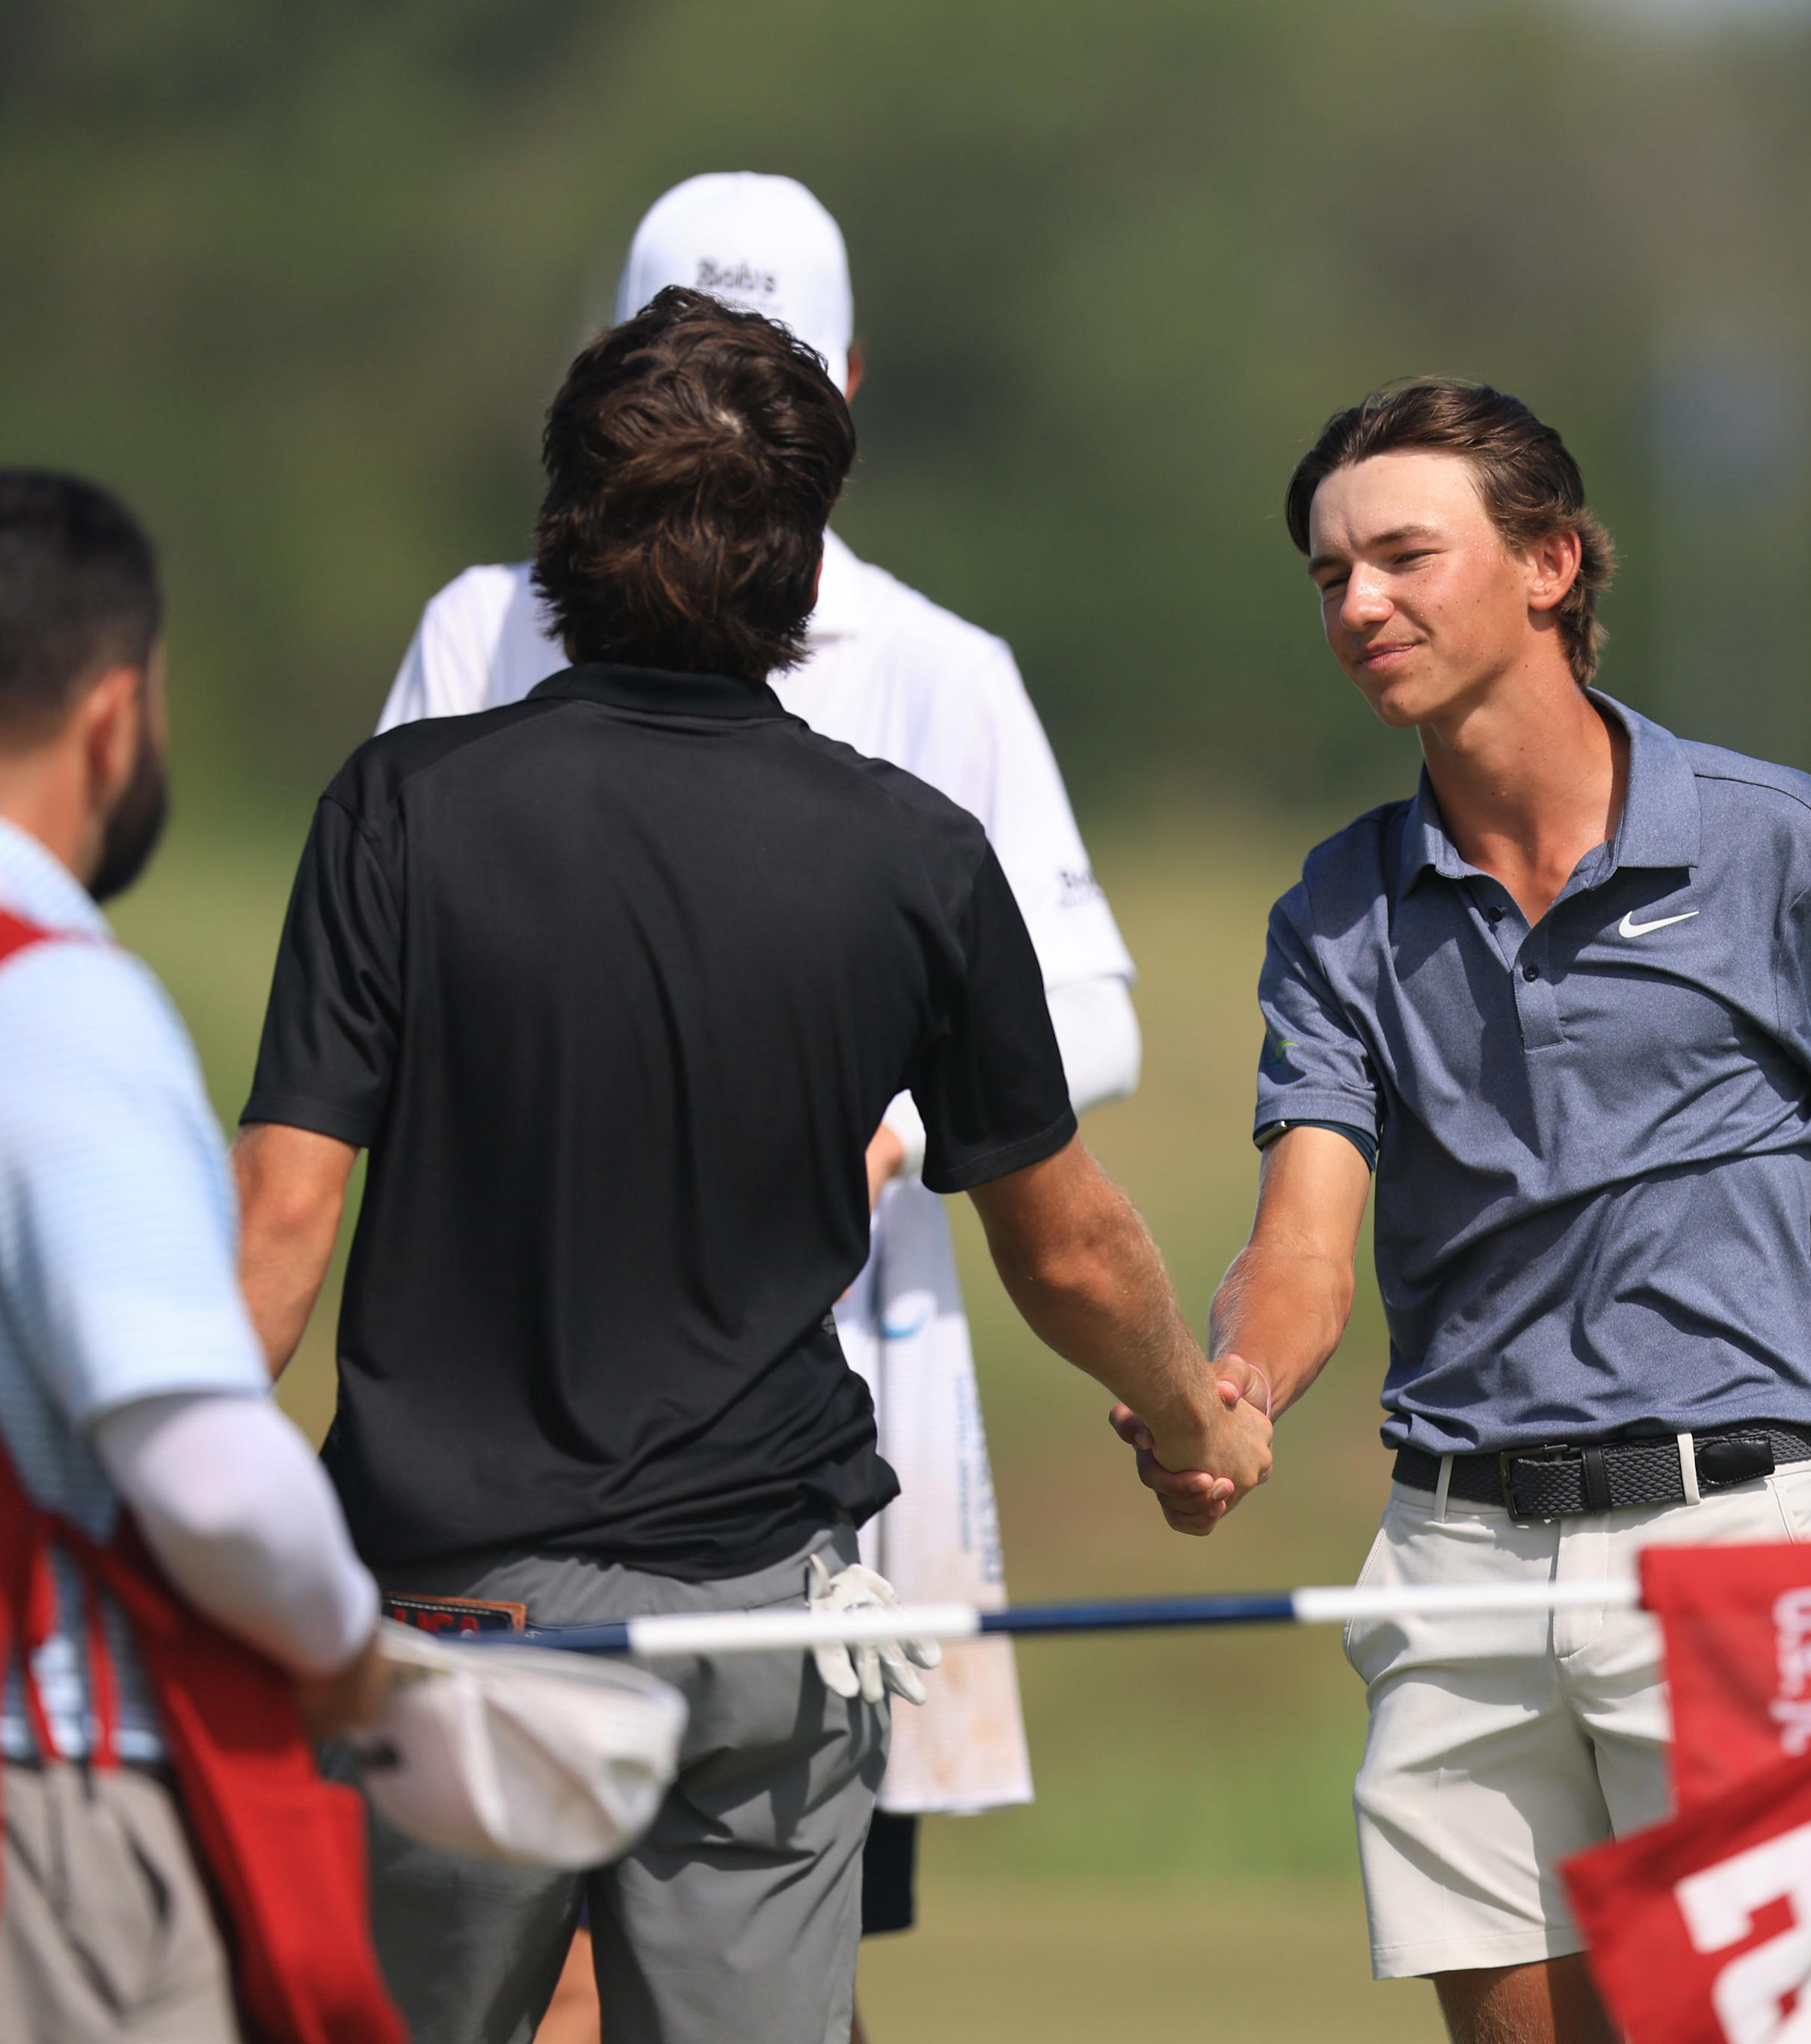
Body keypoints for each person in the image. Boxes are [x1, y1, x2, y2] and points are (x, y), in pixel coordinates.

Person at [233, 292, 1267, 2044]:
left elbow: (282, 1224)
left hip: (457, 1617)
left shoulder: (397, 810)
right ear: (806, 560)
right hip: (764, 1625)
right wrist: (1198, 1424)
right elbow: (1072, 1249)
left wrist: (111, 1502)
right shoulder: (912, 854)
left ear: (559, 531)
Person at [1116, 379, 1811, 2044]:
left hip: (1725, 1554)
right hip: (1456, 1560)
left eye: (1404, 556)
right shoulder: (1339, 909)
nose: (1359, 605)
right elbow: (1306, 1244)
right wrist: (1238, 1388)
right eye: (1331, 574)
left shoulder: (1778, 847)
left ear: (1552, 565)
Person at [369, 171, 1128, 1982]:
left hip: (828, 1412)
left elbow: (1080, 1009)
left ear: (840, 393)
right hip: (512, 1409)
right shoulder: (476, 624)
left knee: (786, 1944)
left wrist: (878, 1119)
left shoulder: (945, 667)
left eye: (762, 373)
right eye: (676, 369)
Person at [0, 470, 399, 2043]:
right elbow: (202, 1463)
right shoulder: (57, 1007)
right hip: (51, 1792)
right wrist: (345, 1647)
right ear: (114, 714)